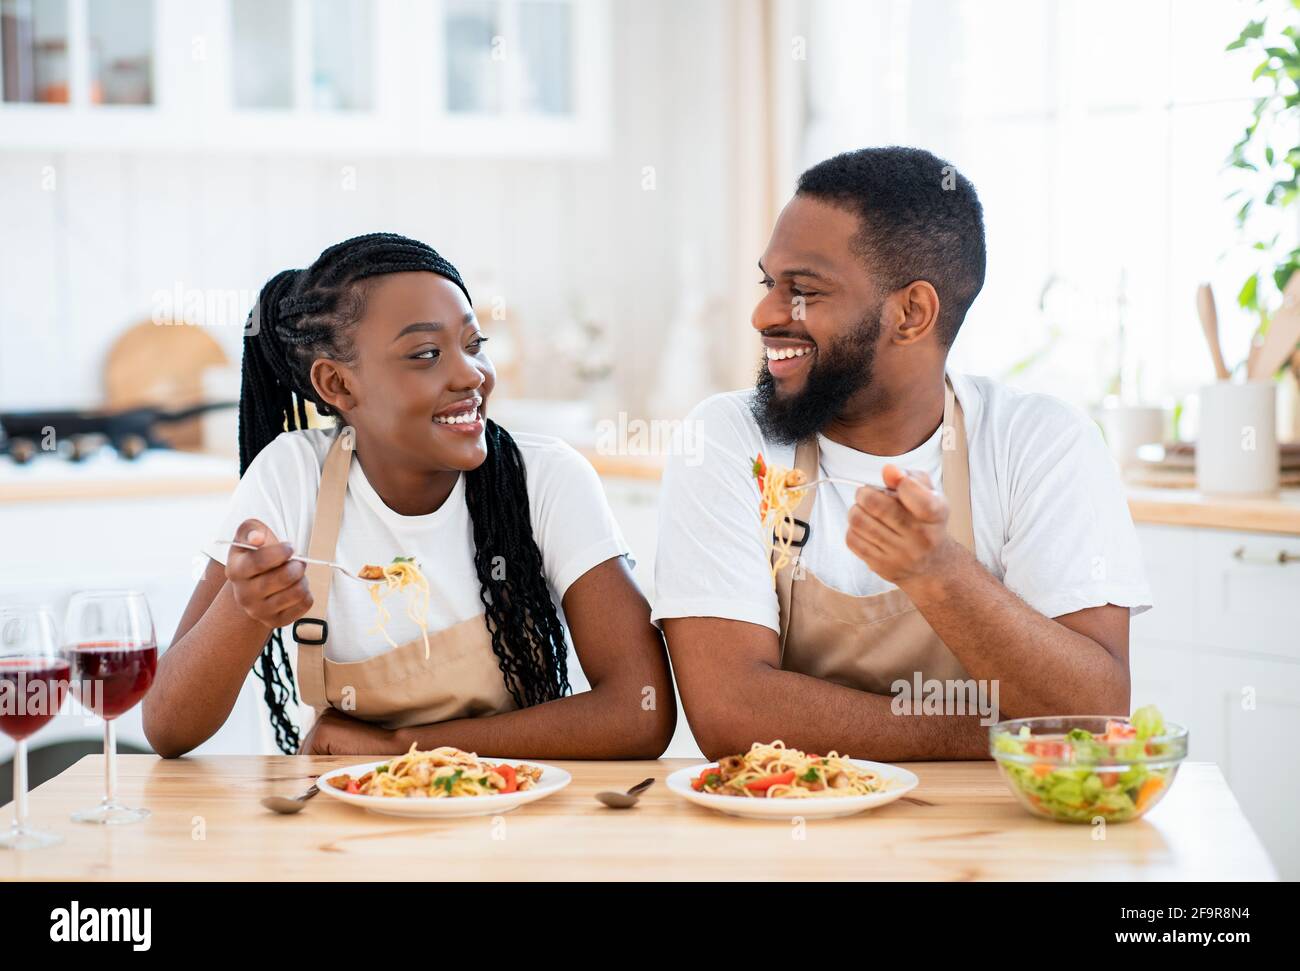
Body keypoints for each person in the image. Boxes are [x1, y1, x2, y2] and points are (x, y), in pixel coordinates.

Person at [653, 147, 1151, 760]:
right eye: (769, 283)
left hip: (997, 820)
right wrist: (1004, 732)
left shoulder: (1041, 443)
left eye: (803, 290)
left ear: (912, 314)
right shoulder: (727, 438)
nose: (764, 314)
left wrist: (938, 573)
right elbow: (731, 713)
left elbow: (1093, 712)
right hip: (791, 813)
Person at [144, 233, 674, 758]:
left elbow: (641, 711)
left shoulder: (547, 479)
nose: (470, 374)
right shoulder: (293, 477)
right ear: (337, 385)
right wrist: (246, 609)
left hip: (516, 800)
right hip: (341, 805)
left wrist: (403, 748)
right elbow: (168, 728)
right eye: (426, 354)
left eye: (474, 345)